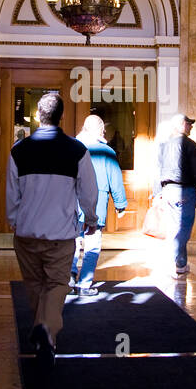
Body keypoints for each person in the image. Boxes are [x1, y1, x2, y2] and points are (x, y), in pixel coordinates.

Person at [7, 92, 99, 365]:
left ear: (38, 115)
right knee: (58, 284)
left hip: (26, 232)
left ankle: (43, 335)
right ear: (62, 117)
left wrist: (13, 219)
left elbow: (12, 193)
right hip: (60, 234)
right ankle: (46, 329)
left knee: (34, 284)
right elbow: (88, 191)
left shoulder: (18, 150)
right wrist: (91, 219)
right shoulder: (76, 151)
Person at [72, 114, 127, 293]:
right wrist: (120, 204)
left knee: (73, 241)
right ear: (101, 130)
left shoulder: (72, 147)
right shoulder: (106, 152)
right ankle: (85, 283)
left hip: (73, 201)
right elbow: (115, 179)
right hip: (97, 203)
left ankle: (70, 276)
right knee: (92, 243)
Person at [153, 112, 196, 277]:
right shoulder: (191, 146)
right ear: (179, 125)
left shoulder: (164, 146)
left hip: (168, 191)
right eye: (188, 123)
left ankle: (181, 263)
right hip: (185, 190)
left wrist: (156, 193)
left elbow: (157, 170)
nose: (191, 126)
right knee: (184, 228)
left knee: (174, 227)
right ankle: (175, 261)